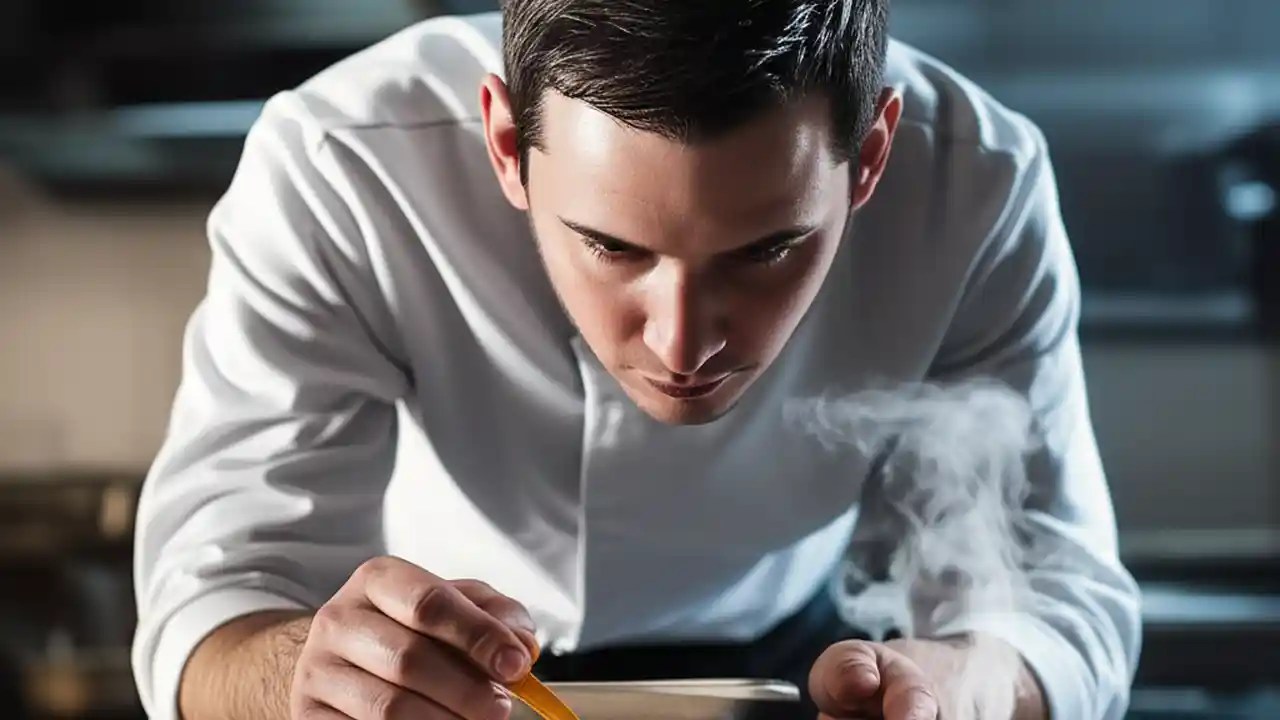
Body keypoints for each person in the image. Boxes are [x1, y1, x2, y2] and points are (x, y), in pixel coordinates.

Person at [131, 2, 1141, 720]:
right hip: (434, 681)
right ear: (501, 140)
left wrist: (969, 687)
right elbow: (215, 599)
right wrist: (299, 673)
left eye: (767, 249)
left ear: (868, 156)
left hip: (792, 670)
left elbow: (1056, 597)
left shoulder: (978, 185)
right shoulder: (340, 167)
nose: (684, 342)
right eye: (612, 246)